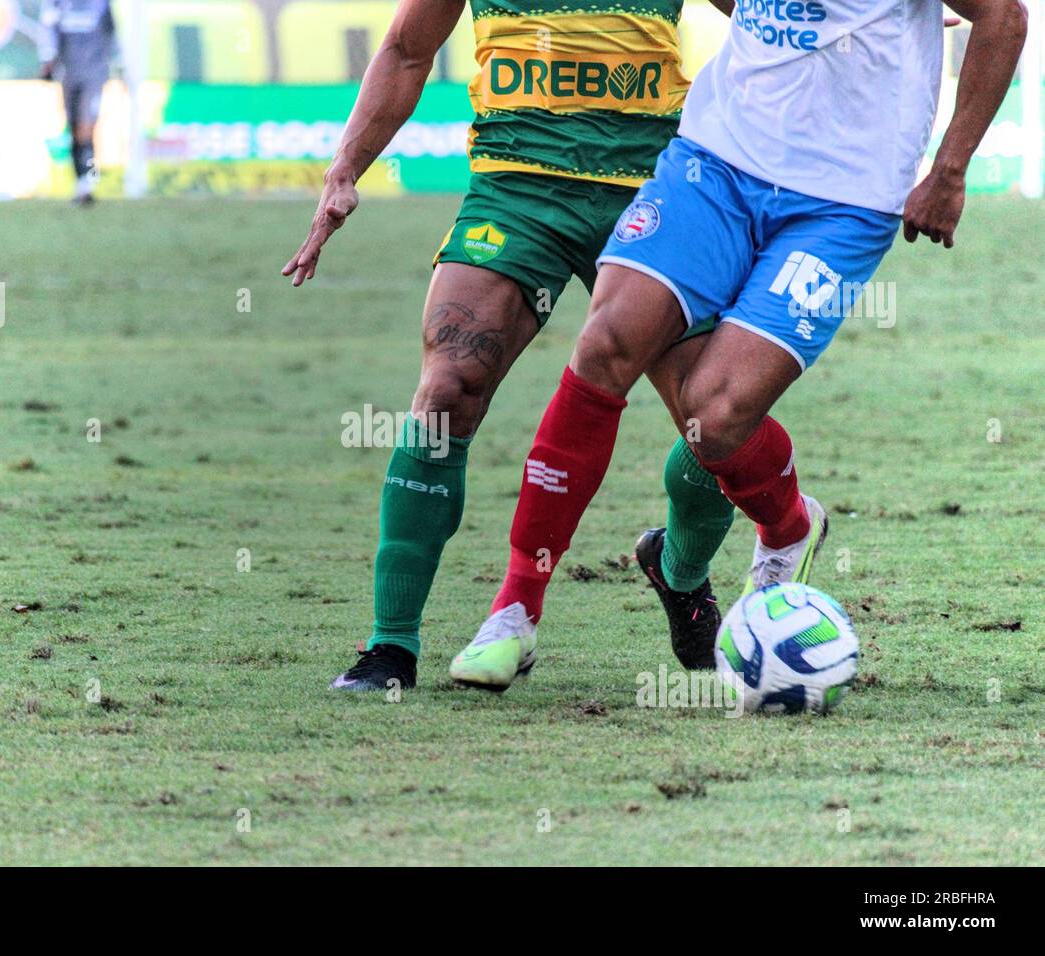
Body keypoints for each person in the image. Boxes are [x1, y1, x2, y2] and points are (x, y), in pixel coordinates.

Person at [468, 0, 1027, 681]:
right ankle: (515, 613)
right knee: (607, 342)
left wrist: (948, 171)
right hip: (716, 161)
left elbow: (1003, 15)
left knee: (715, 415)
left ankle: (789, 527)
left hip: (843, 199)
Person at [283, 0, 742, 692]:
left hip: (651, 192)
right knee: (445, 392)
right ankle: (390, 648)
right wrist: (345, 169)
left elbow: (780, 15)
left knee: (718, 417)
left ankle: (677, 569)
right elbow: (408, 50)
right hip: (515, 188)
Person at [39, 0, 117, 204]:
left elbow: (112, 33)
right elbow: (49, 31)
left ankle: (91, 181)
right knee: (74, 130)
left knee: (86, 129)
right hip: (68, 74)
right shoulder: (57, 3)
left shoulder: (100, 4)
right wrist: (48, 61)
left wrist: (119, 64)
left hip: (94, 74)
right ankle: (81, 183)